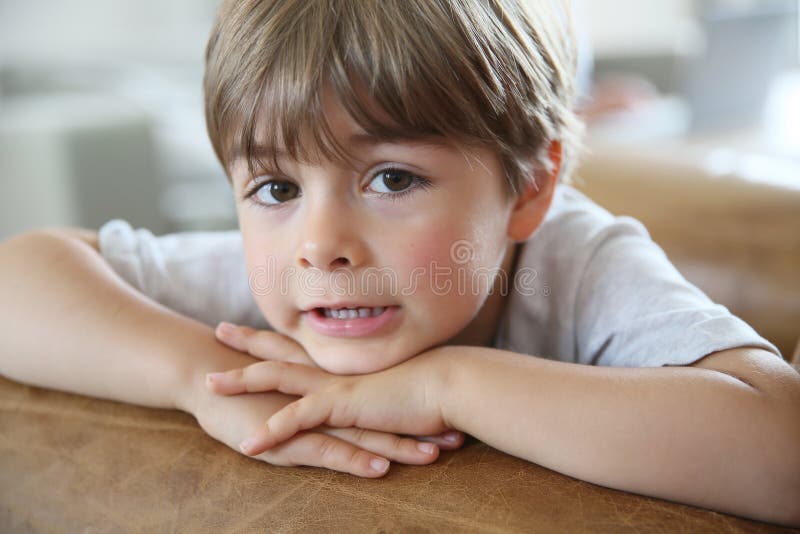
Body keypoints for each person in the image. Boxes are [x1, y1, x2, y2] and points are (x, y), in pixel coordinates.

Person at [1, 0, 798, 527]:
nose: (321, 242)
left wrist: (448, 384)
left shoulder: (577, 262)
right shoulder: (284, 272)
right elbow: (18, 277)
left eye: (391, 179)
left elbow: (783, 449)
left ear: (530, 185)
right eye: (276, 186)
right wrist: (193, 379)